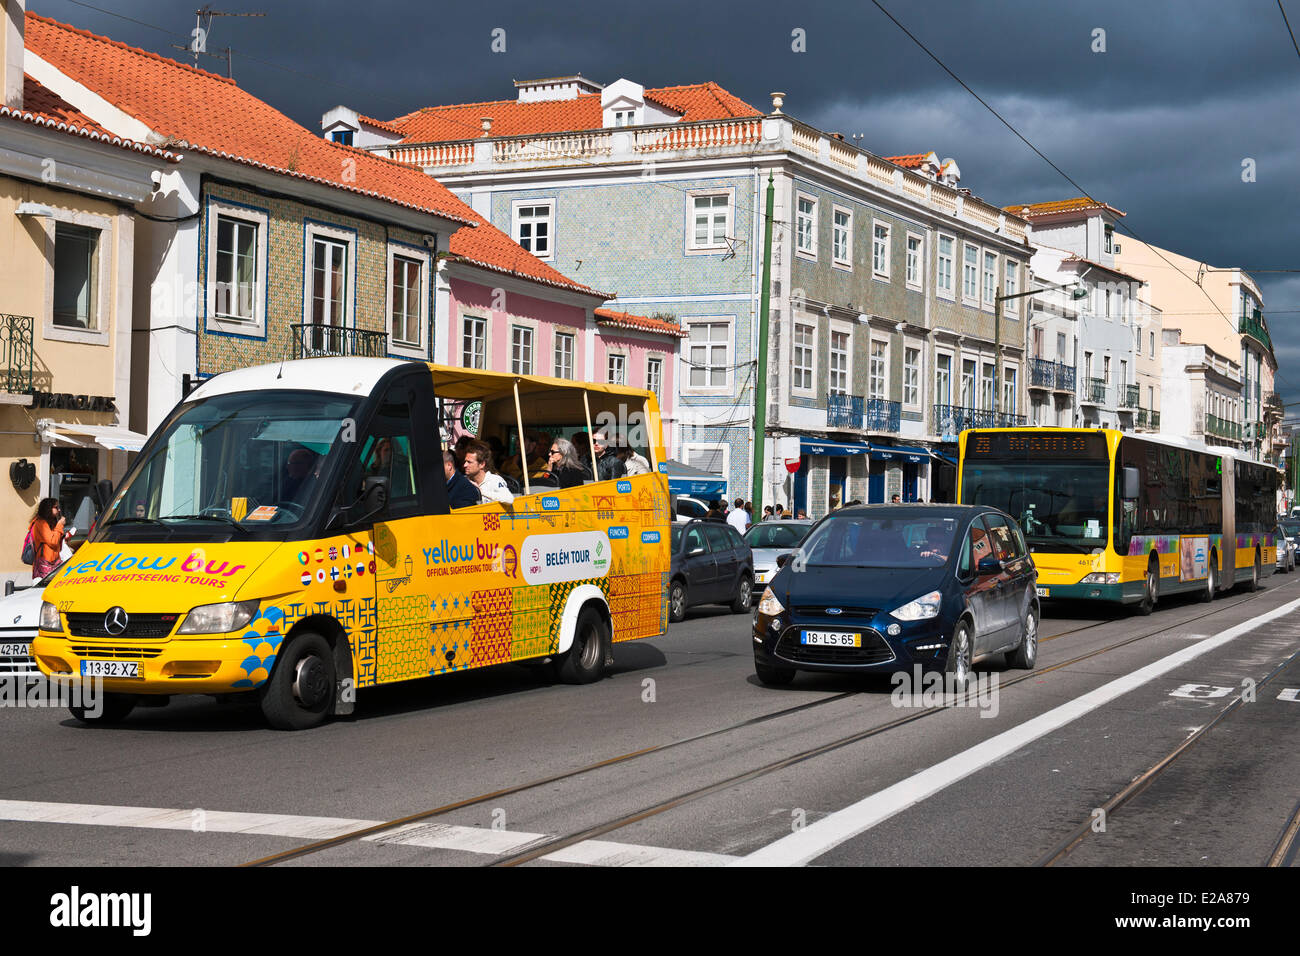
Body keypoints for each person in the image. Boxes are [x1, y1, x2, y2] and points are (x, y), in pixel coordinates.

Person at [29, 497, 71, 580]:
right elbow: (53, 542)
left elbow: (56, 543)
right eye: (56, 507)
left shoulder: (50, 522)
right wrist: (59, 525)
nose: (59, 510)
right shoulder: (41, 523)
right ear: (48, 508)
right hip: (45, 564)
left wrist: (64, 538)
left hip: (54, 562)